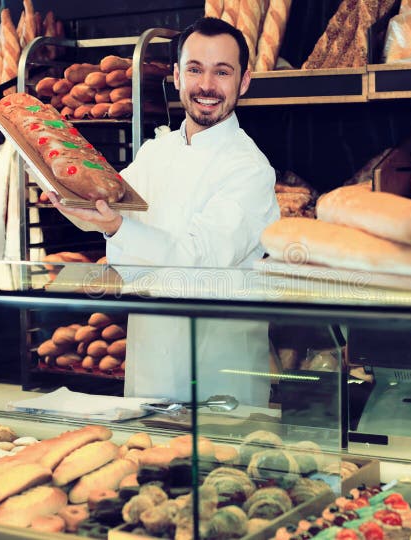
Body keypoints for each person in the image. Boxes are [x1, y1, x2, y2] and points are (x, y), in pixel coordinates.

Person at [48, 17, 280, 406]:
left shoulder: (250, 169)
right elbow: (111, 221)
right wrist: (66, 191)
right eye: (195, 69)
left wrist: (116, 227)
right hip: (150, 369)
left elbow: (199, 263)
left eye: (222, 72)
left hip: (219, 377)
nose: (206, 85)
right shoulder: (155, 153)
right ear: (175, 76)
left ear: (243, 81)